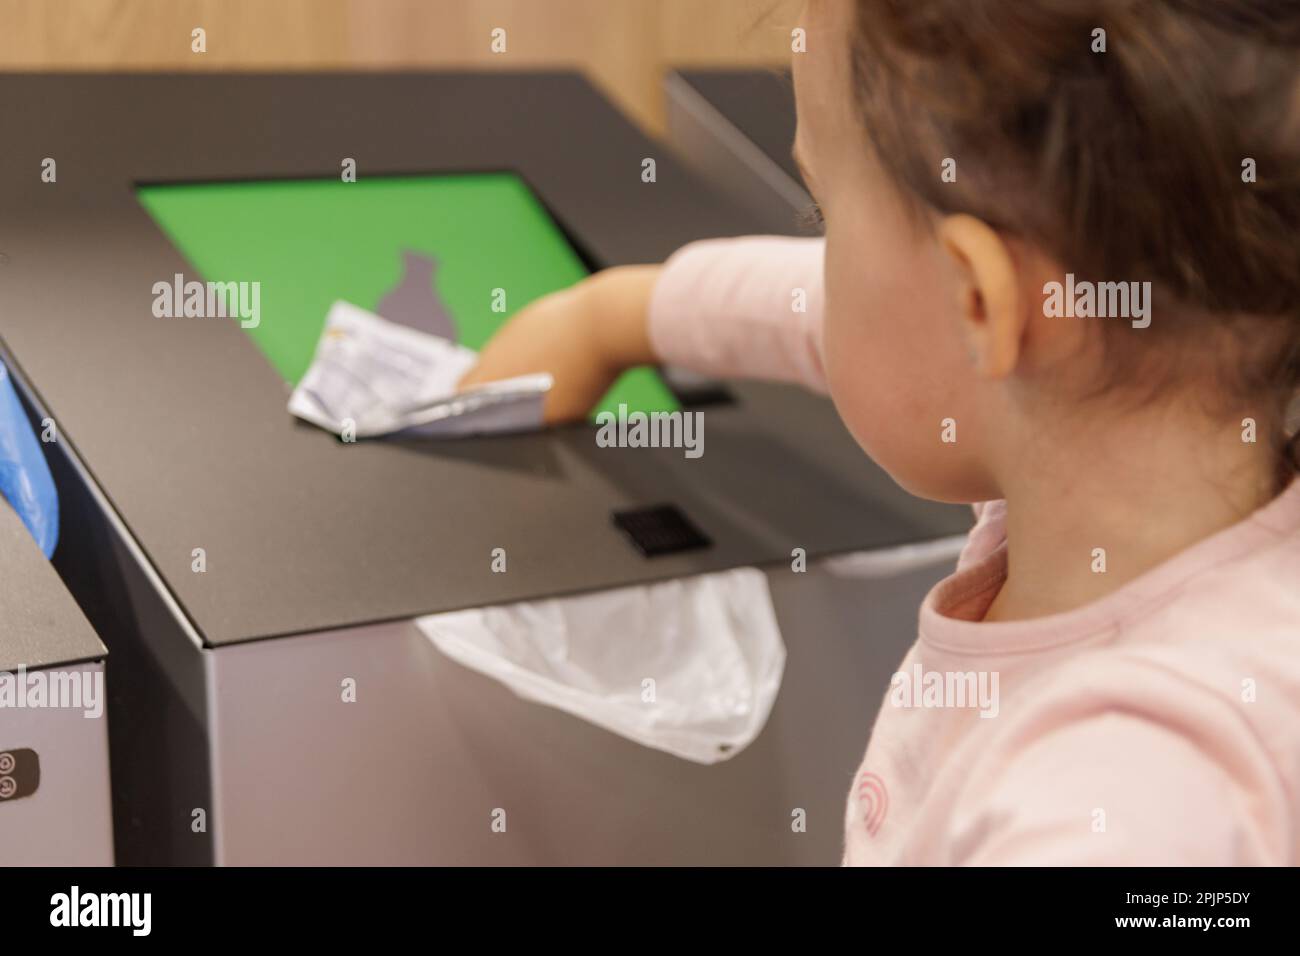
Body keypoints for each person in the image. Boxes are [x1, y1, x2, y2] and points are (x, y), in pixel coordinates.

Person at [461, 0, 1300, 864]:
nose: (823, 264)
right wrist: (618, 315)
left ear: (980, 301)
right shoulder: (1139, 459)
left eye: (823, 215)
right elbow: (865, 321)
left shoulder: (1119, 800)